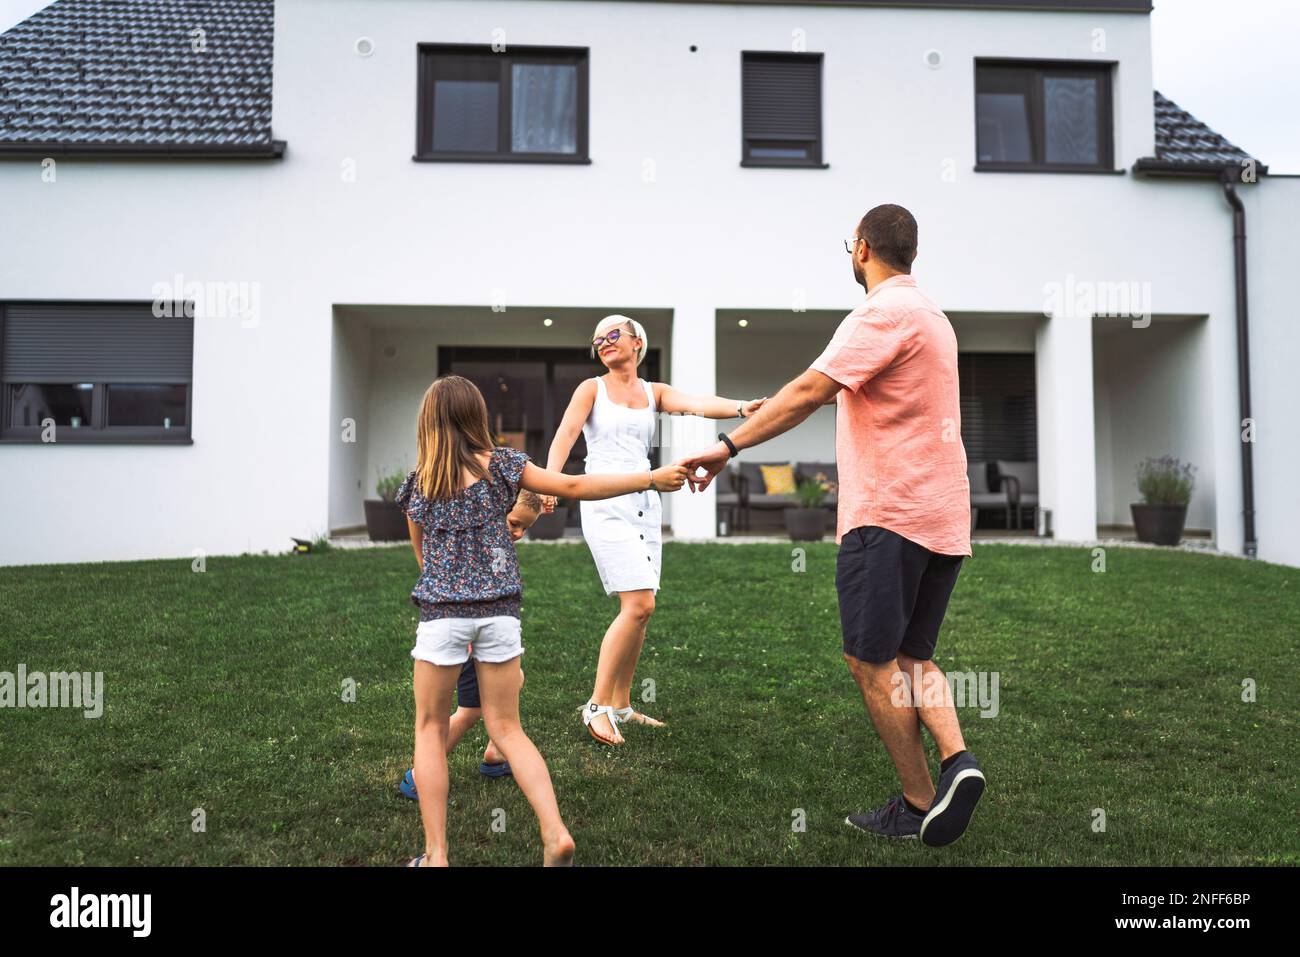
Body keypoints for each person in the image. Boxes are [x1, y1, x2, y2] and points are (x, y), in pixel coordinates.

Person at [679, 205, 986, 847]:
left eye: (851, 246)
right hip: (944, 515)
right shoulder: (935, 317)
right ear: (915, 255)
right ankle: (960, 762)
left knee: (870, 661)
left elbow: (809, 391)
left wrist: (727, 446)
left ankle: (917, 800)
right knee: (914, 654)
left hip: (889, 516)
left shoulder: (880, 314)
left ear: (863, 249)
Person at [398, 375, 687, 866]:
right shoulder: (507, 466)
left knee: (428, 728)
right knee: (508, 729)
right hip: (500, 616)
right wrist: (649, 478)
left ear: (428, 423)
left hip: (442, 617)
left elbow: (422, 557)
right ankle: (554, 835)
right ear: (477, 418)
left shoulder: (419, 483)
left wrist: (449, 591)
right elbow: (575, 485)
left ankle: (436, 857)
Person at [544, 314, 766, 745]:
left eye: (613, 335)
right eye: (597, 340)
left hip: (645, 504)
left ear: (637, 343)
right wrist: (552, 482)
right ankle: (596, 707)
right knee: (639, 605)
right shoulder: (590, 389)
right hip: (604, 500)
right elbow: (565, 436)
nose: (604, 343)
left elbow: (696, 403)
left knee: (644, 610)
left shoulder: (653, 392)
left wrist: (742, 408)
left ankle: (623, 706)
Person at [398, 488, 543, 802]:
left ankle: (495, 754)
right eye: (515, 523)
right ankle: (418, 777)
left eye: (525, 529)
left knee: (514, 681)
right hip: (467, 640)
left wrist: (542, 495)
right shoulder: (477, 536)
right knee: (470, 710)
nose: (518, 532)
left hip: (486, 633)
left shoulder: (493, 537)